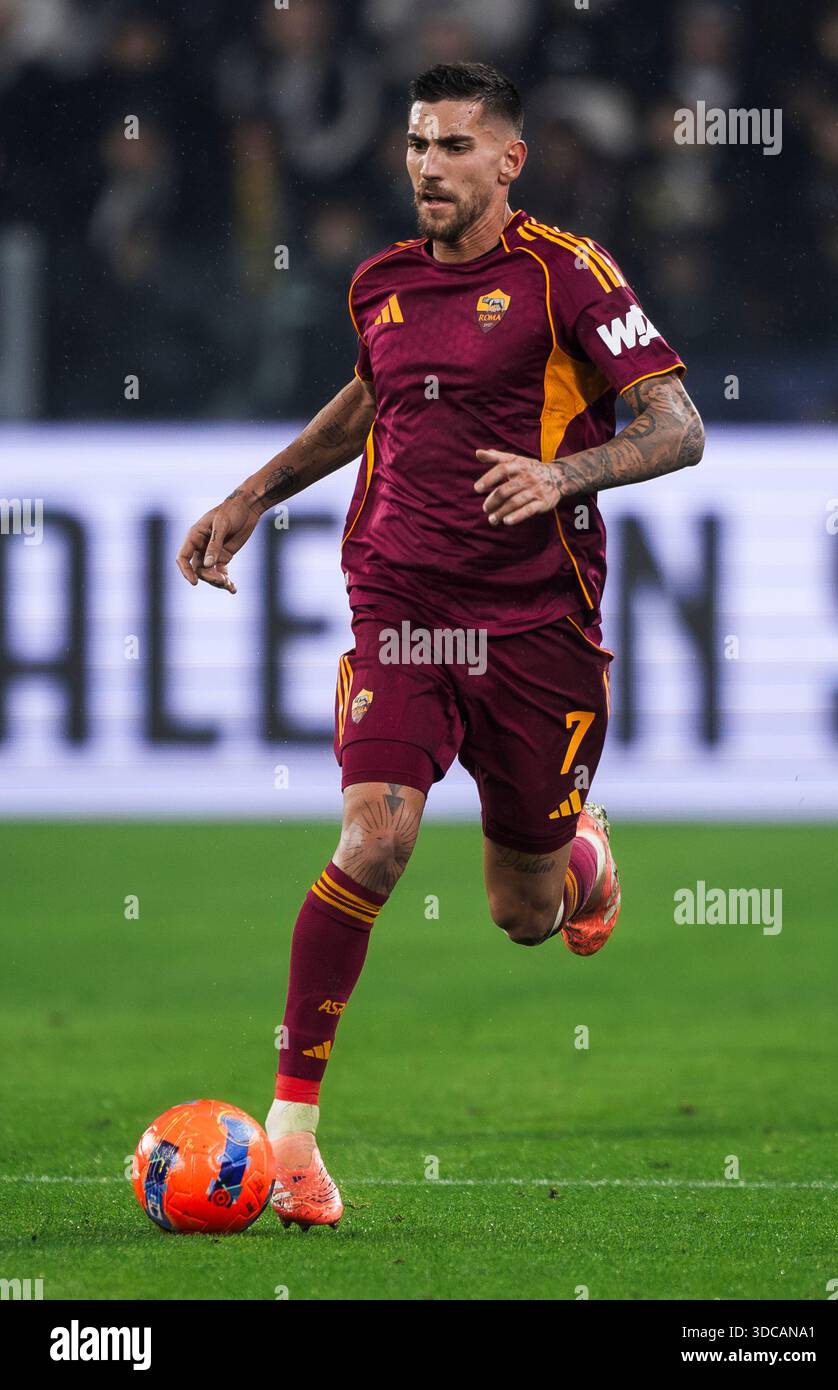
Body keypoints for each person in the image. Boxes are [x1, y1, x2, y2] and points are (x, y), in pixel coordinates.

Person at [177, 61, 704, 1230]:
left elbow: (679, 426)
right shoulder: (379, 283)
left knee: (521, 915)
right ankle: (293, 1140)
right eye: (418, 142)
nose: (427, 163)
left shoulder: (568, 276)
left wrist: (560, 473)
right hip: (399, 606)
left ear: (507, 161)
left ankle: (579, 857)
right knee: (374, 838)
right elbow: (371, 396)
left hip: (536, 629)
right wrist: (252, 494)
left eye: (454, 145)